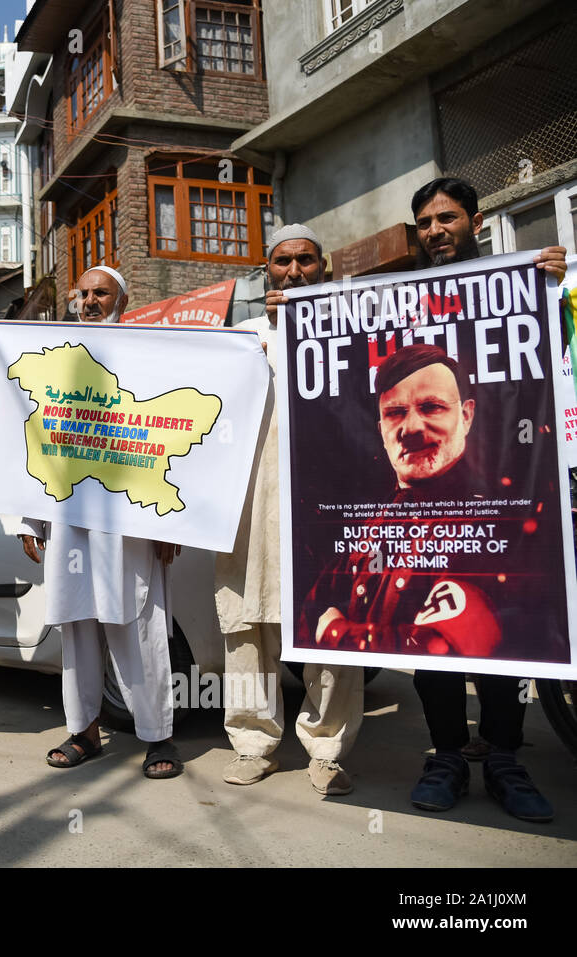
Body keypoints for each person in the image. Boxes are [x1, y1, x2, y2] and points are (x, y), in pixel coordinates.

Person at [396, 178, 564, 821]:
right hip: (424, 508)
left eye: (447, 218)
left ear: (476, 219)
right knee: (429, 632)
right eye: (426, 223)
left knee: (508, 631)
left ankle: (503, 758)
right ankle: (443, 754)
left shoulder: (518, 286)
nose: (436, 231)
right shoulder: (398, 303)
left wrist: (555, 283)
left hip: (505, 494)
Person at [17, 264, 183, 778]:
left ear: (122, 301)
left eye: (101, 293)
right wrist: (31, 517)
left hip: (130, 520)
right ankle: (83, 731)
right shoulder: (56, 360)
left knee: (138, 628)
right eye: (83, 293)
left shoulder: (144, 359)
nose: (90, 301)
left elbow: (167, 436)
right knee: (76, 628)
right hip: (69, 519)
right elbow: (34, 436)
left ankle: (158, 738)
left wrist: (168, 524)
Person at [216, 225, 364, 796]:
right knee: (245, 623)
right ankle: (254, 741)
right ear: (266, 272)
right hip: (249, 506)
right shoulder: (241, 340)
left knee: (329, 622)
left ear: (322, 269)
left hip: (325, 507)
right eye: (283, 262)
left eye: (306, 261)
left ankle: (327, 749)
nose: (295, 271)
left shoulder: (349, 336)